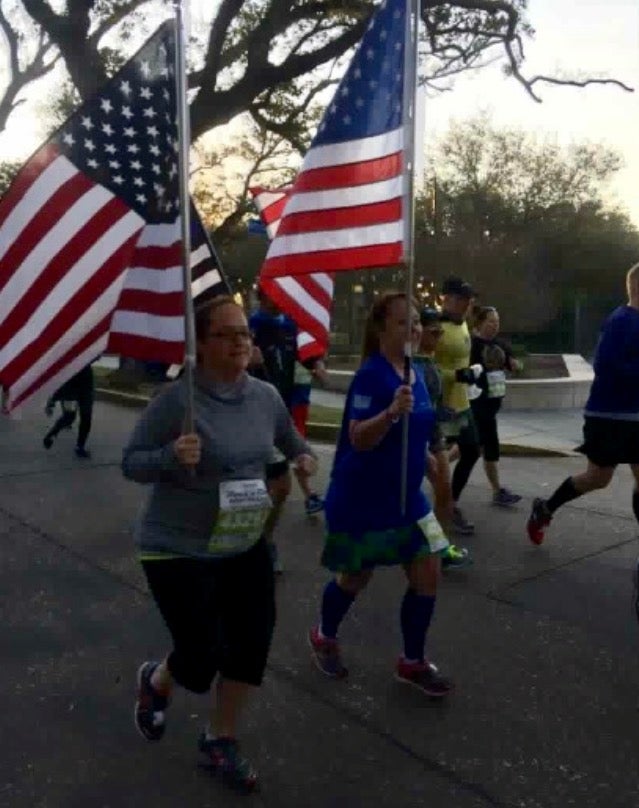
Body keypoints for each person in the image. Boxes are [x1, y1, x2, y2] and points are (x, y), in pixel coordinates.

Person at [122, 295, 316, 792]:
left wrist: (304, 456)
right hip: (176, 546)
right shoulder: (177, 400)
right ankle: (157, 681)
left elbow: (287, 439)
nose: (238, 342)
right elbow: (132, 462)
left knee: (252, 642)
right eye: (225, 334)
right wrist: (169, 455)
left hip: (241, 539)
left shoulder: (265, 396)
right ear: (200, 346)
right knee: (201, 654)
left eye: (243, 334)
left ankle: (220, 739)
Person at [308, 291, 454, 697]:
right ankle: (324, 635)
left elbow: (417, 429)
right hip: (362, 496)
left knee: (428, 572)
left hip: (406, 497)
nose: (414, 329)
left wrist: (428, 461)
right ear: (380, 329)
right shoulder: (371, 375)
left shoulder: (416, 372)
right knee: (356, 576)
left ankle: (411, 662)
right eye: (402, 323)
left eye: (417, 323)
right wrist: (390, 412)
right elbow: (359, 437)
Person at [527, 263, 639, 546]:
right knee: (598, 477)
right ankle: (546, 508)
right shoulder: (621, 320)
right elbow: (605, 365)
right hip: (609, 416)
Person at [249, 288, 327, 573]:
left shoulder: (289, 325)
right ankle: (241, 544)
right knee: (253, 485)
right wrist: (247, 359)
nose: (283, 299)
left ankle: (265, 540)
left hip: (278, 413)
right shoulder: (250, 326)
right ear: (264, 296)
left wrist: (315, 363)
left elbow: (300, 353)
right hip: (250, 413)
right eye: (276, 294)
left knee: (280, 487)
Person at [414, 307, 471, 570]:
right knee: (409, 497)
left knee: (444, 492)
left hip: (434, 433)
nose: (438, 337)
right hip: (415, 437)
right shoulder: (410, 365)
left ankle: (438, 546)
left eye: (440, 332)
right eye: (433, 332)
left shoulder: (430, 361)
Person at [434, 277, 483, 535]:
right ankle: (440, 513)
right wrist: (456, 375)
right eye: (463, 299)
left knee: (472, 450)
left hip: (462, 402)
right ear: (448, 298)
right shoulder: (436, 328)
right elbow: (424, 368)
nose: (468, 303)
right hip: (443, 406)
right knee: (437, 462)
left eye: (469, 299)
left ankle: (449, 505)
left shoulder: (463, 324)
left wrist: (469, 374)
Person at [470, 306, 522, 507]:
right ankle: (435, 470)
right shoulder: (472, 345)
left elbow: (514, 364)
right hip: (476, 403)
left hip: (492, 405)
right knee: (476, 447)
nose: (495, 325)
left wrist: (517, 366)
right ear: (480, 323)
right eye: (490, 321)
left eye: (497, 321)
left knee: (479, 447)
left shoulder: (501, 344)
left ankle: (497, 491)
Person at [42, 364, 94, 458]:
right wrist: (53, 400)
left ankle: (80, 446)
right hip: (70, 391)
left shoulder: (88, 352)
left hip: (85, 389)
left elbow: (97, 355)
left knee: (86, 418)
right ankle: (51, 435)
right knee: (69, 417)